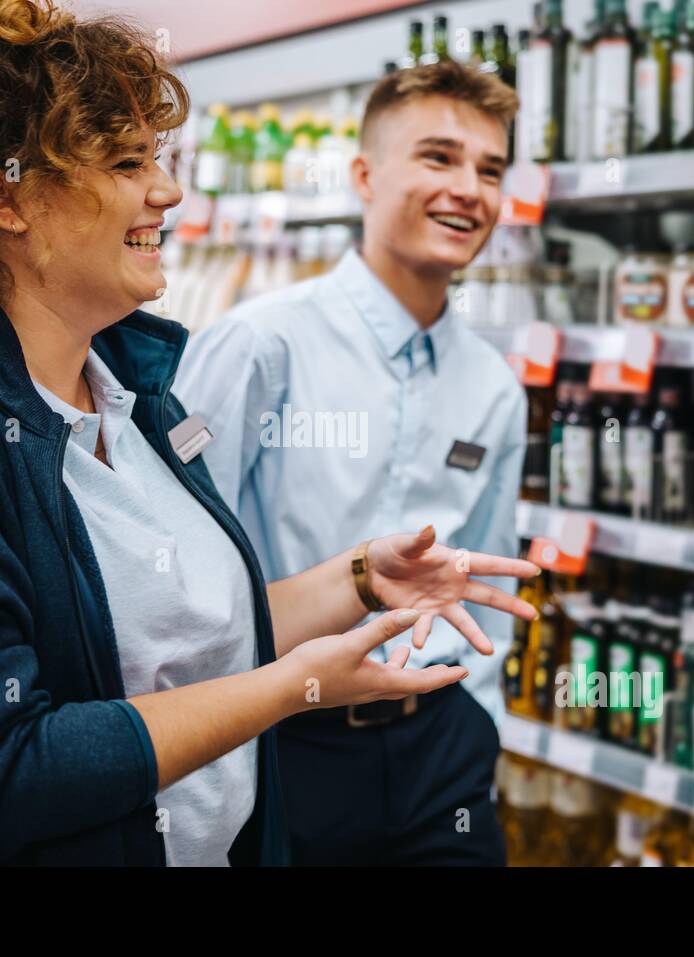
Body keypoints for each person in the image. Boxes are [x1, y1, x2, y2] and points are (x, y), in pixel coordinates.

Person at [0, 0, 539, 867]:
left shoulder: (135, 399)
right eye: (130, 164)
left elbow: (186, 634)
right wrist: (287, 689)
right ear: (4, 193)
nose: (166, 191)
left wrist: (360, 578)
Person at [176, 60, 527, 865]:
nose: (468, 188)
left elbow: (488, 579)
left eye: (490, 168)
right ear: (364, 175)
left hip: (443, 750)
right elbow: (177, 580)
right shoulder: (260, 345)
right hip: (288, 738)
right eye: (438, 157)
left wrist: (480, 723)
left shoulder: (496, 389)